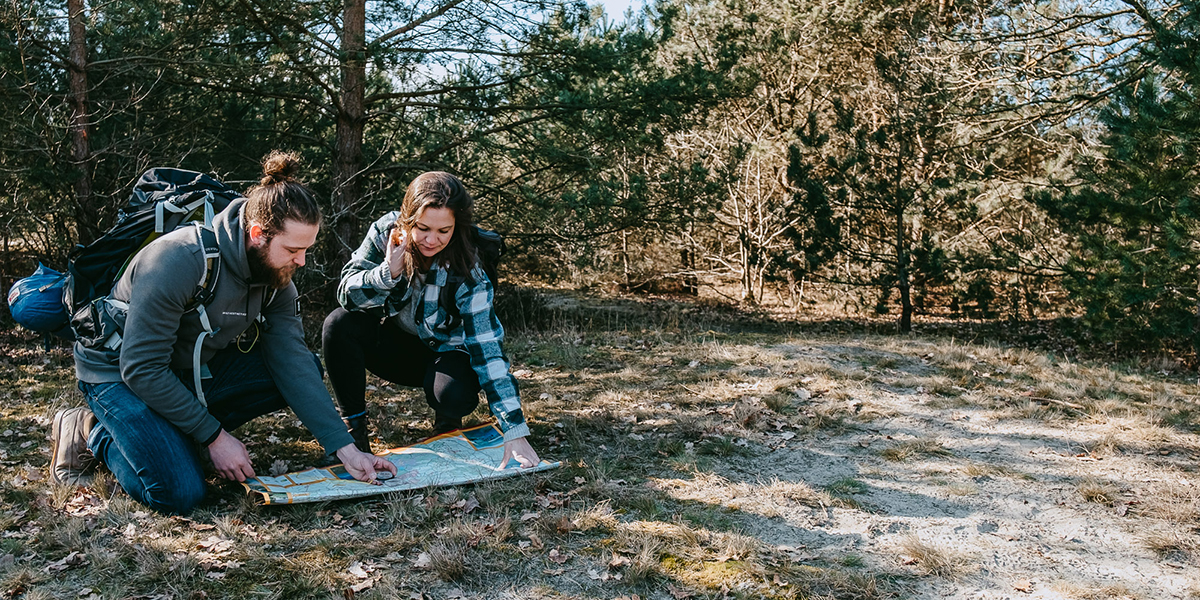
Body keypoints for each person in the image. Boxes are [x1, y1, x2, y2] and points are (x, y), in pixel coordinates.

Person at [51, 151, 396, 514]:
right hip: (117, 373)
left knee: (306, 365)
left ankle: (175, 435)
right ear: (258, 234)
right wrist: (215, 437)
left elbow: (291, 359)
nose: (302, 262)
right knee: (179, 493)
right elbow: (141, 368)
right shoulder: (178, 259)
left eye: (306, 249)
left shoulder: (276, 278)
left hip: (186, 372)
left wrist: (345, 449)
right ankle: (91, 431)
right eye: (293, 249)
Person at [322, 171, 540, 469]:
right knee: (339, 323)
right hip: (396, 346)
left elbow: (488, 347)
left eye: (443, 231)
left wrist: (515, 431)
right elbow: (346, 295)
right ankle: (352, 435)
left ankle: (448, 421)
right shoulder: (385, 232)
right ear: (407, 219)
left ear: (456, 227)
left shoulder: (470, 263)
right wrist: (387, 273)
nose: (431, 240)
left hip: (448, 353)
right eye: (422, 228)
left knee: (453, 394)